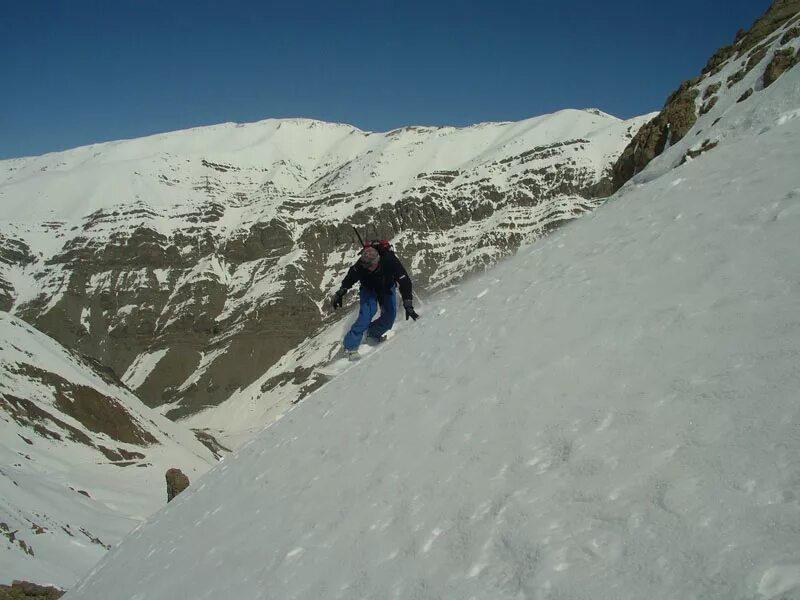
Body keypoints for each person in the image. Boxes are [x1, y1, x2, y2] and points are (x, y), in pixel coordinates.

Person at [330, 244, 419, 359]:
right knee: (365, 316)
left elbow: (405, 281)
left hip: (387, 288)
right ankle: (350, 348)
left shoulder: (390, 261)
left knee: (390, 317)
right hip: (368, 289)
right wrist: (341, 292)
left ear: (376, 262)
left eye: (369, 266)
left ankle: (372, 334)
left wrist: (408, 302)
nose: (366, 267)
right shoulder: (362, 264)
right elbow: (351, 277)